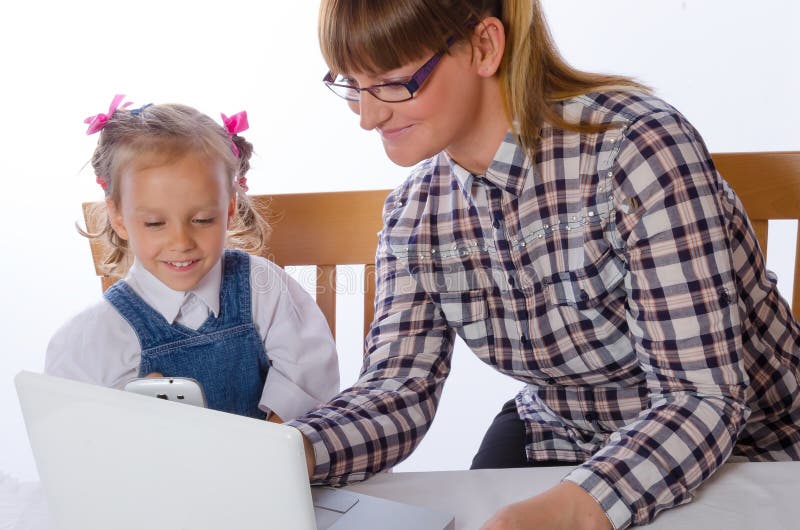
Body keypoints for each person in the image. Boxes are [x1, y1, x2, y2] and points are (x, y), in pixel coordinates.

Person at [285, 1, 800, 529]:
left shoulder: (634, 148)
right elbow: (397, 390)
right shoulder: (413, 215)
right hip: (560, 431)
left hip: (744, 444)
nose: (369, 117)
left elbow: (700, 396)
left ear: (484, 47)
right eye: (352, 83)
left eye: (394, 82)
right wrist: (285, 452)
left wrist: (576, 507)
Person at [46, 95, 340, 422]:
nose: (181, 242)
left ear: (229, 209)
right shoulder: (97, 336)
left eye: (202, 220)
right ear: (118, 217)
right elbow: (75, 431)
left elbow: (309, 377)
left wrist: (270, 443)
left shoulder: (263, 289)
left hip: (261, 468)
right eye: (155, 223)